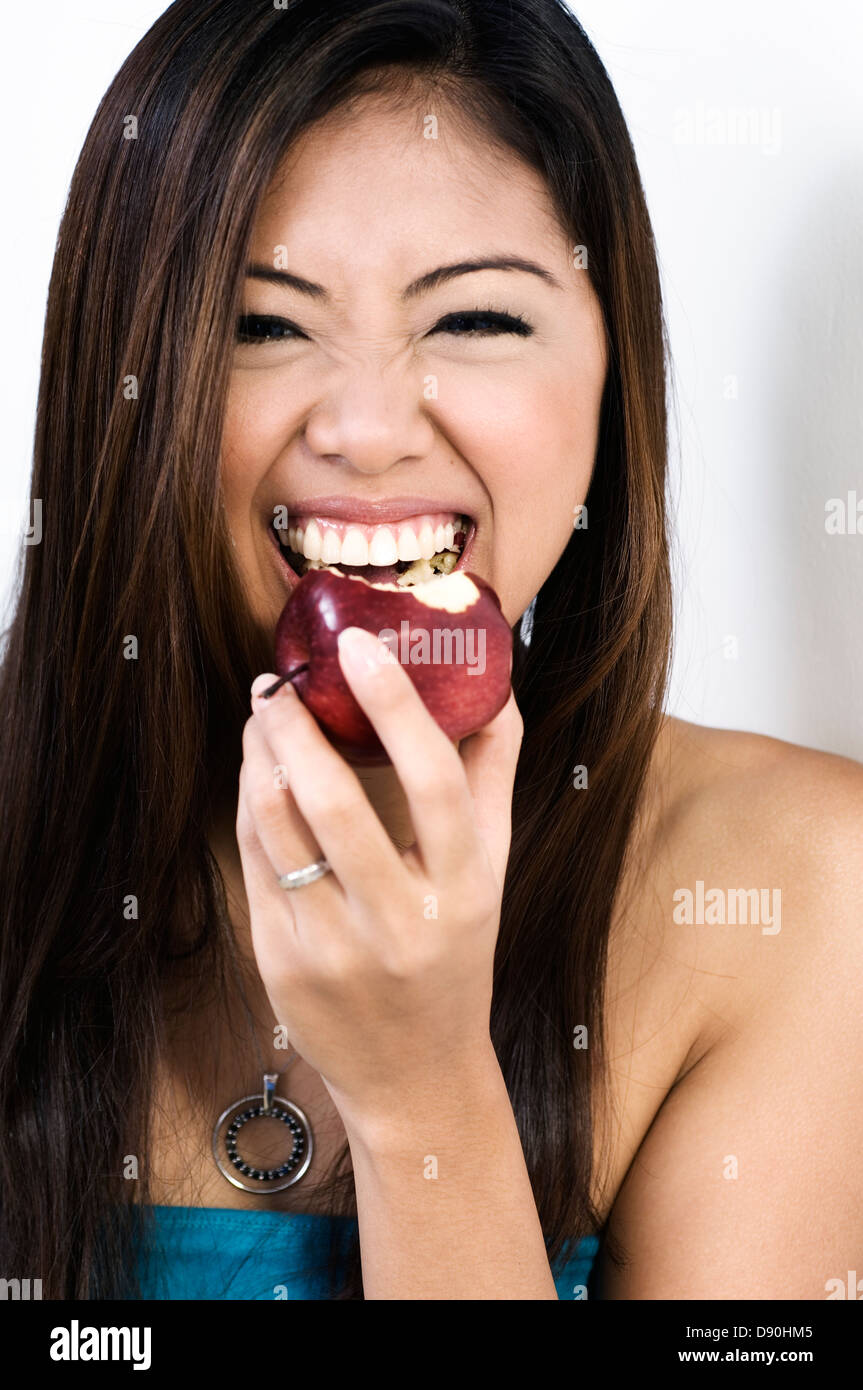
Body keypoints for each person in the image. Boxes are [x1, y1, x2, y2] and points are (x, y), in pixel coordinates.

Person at [1, 0, 860, 1301]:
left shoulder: (804, 885)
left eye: (476, 322)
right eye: (264, 325)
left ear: (610, 370)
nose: (368, 427)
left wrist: (422, 1100)